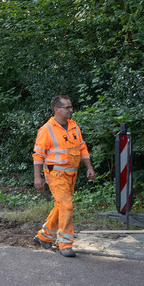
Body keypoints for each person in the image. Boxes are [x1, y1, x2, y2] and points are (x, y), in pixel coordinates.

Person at [32, 96, 95, 258]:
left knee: (61, 206)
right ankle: (65, 244)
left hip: (71, 174)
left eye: (71, 107)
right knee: (67, 206)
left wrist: (89, 167)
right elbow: (38, 155)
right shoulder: (46, 129)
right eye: (67, 107)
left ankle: (44, 237)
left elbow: (82, 147)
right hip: (55, 174)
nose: (71, 110)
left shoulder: (74, 126)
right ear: (56, 109)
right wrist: (37, 177)